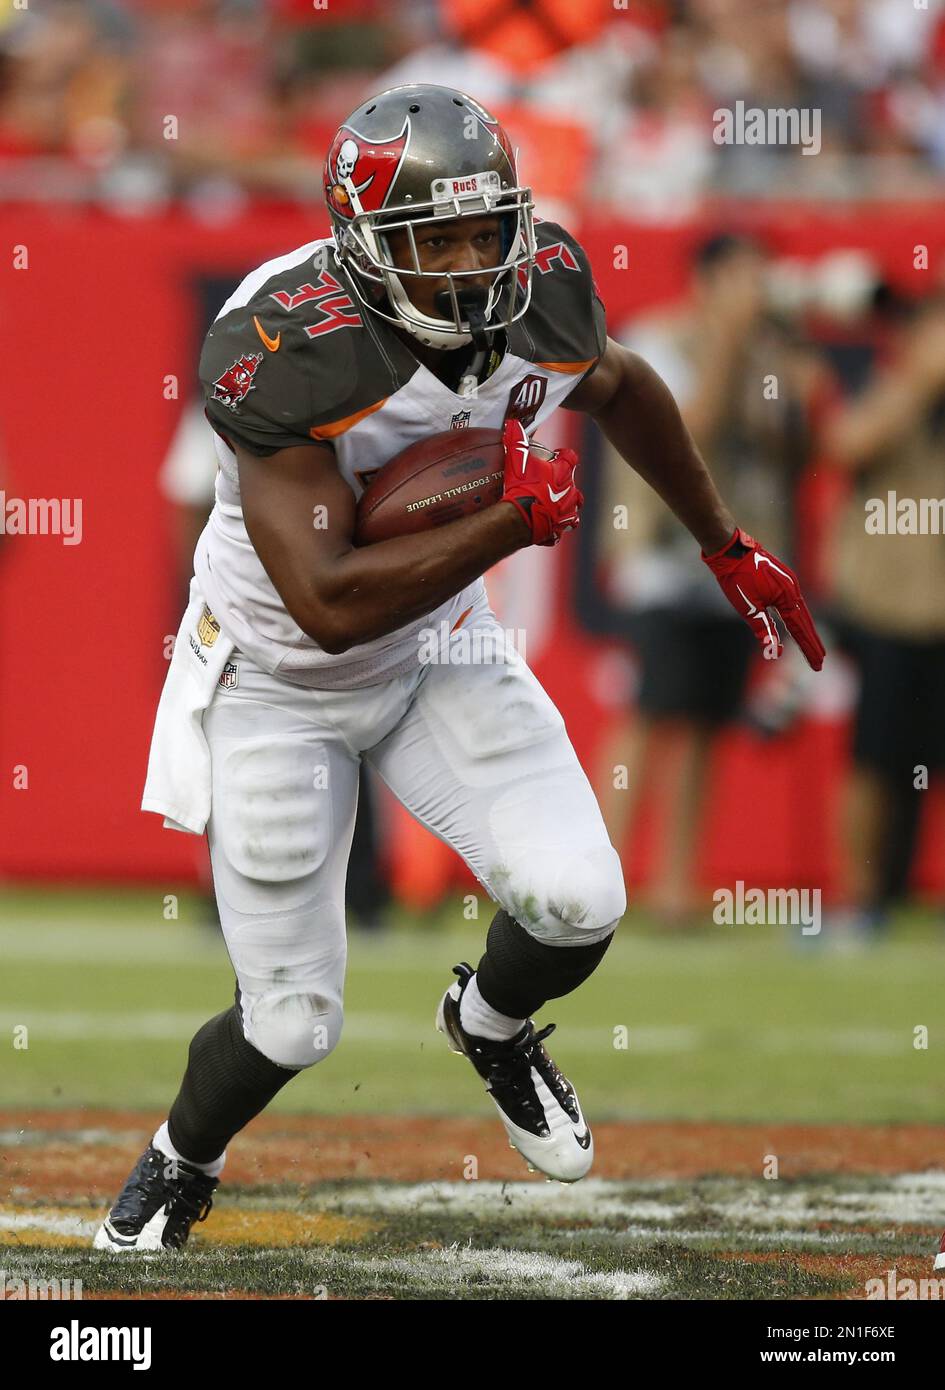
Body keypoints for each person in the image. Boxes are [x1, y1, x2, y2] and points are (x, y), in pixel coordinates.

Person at [93, 84, 823, 1254]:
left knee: (581, 901)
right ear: (363, 242)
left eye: (489, 230)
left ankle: (491, 1024)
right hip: (279, 677)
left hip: (440, 643)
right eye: (438, 238)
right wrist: (503, 523)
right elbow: (327, 606)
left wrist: (724, 541)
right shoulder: (282, 340)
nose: (475, 263)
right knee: (291, 1023)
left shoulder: (541, 289)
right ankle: (184, 1157)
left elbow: (622, 385)